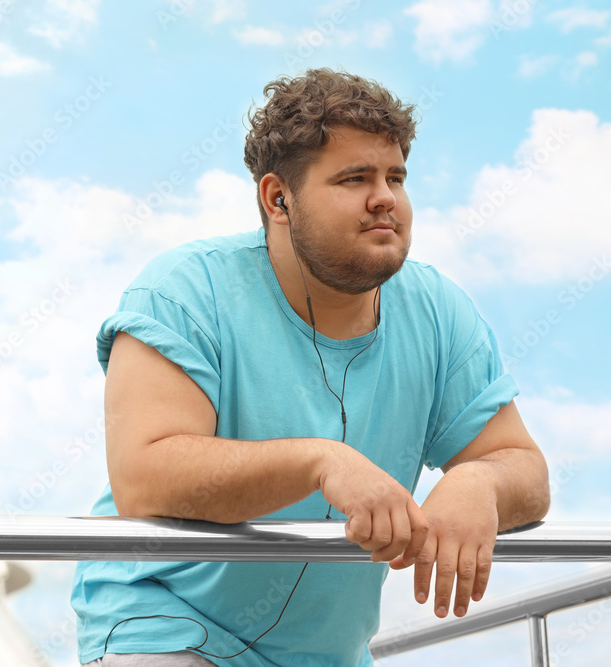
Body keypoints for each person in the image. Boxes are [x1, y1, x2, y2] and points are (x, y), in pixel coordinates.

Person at [71, 68, 550, 667]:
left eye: (395, 177)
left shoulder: (440, 310)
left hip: (326, 655)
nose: (385, 197)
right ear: (278, 198)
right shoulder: (183, 289)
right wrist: (321, 462)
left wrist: (480, 481)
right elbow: (145, 477)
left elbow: (524, 467)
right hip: (163, 623)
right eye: (354, 178)